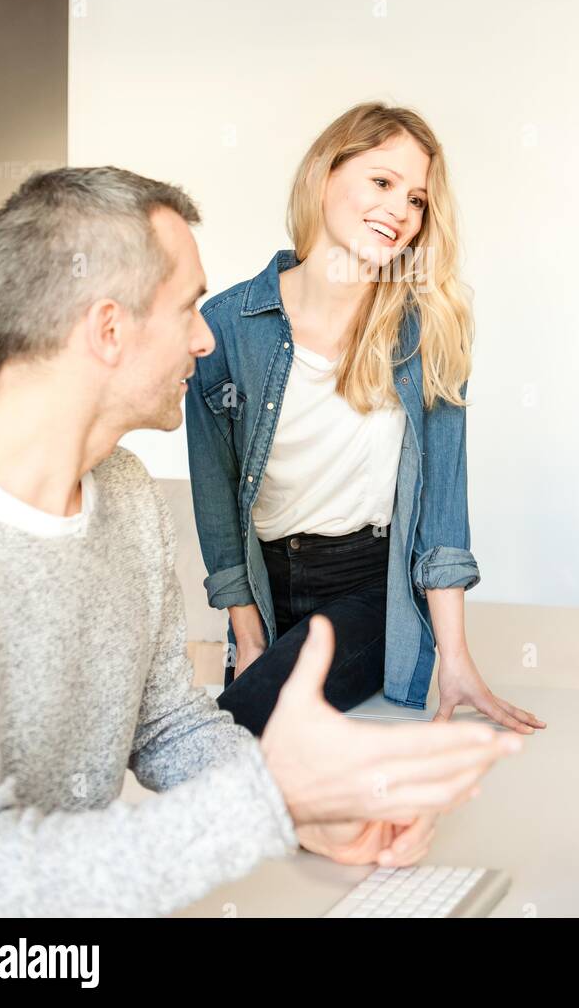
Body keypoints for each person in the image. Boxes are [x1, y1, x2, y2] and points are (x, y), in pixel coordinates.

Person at [0, 166, 525, 918]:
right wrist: (267, 799)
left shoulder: (121, 492)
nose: (206, 334)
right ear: (109, 328)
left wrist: (310, 813)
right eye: (188, 306)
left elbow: (167, 727)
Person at [186, 102, 547, 739]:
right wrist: (247, 639)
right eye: (382, 182)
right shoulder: (223, 326)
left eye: (417, 200)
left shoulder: (427, 327)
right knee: (227, 746)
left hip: (369, 589)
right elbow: (214, 498)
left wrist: (454, 659)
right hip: (266, 591)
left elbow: (442, 504)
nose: (401, 212)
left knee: (242, 731)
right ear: (324, 174)